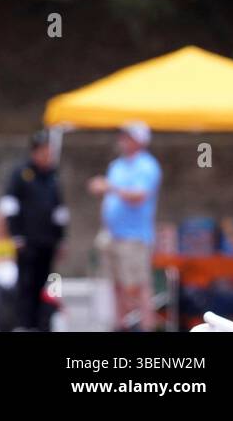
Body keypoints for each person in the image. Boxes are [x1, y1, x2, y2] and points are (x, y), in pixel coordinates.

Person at [88, 122, 162, 331]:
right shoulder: (117, 165)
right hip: (113, 236)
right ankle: (121, 326)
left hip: (134, 237)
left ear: (139, 140)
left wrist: (109, 187)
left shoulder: (147, 165)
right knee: (117, 286)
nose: (122, 139)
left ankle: (147, 327)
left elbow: (139, 195)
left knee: (138, 287)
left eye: (128, 136)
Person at [0, 129, 68, 330]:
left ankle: (40, 324)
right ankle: (23, 324)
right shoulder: (21, 174)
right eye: (43, 151)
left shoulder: (52, 176)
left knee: (43, 285)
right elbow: (9, 205)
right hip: (26, 241)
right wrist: (16, 234)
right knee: (26, 285)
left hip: (47, 241)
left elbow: (59, 210)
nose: (47, 156)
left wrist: (61, 238)